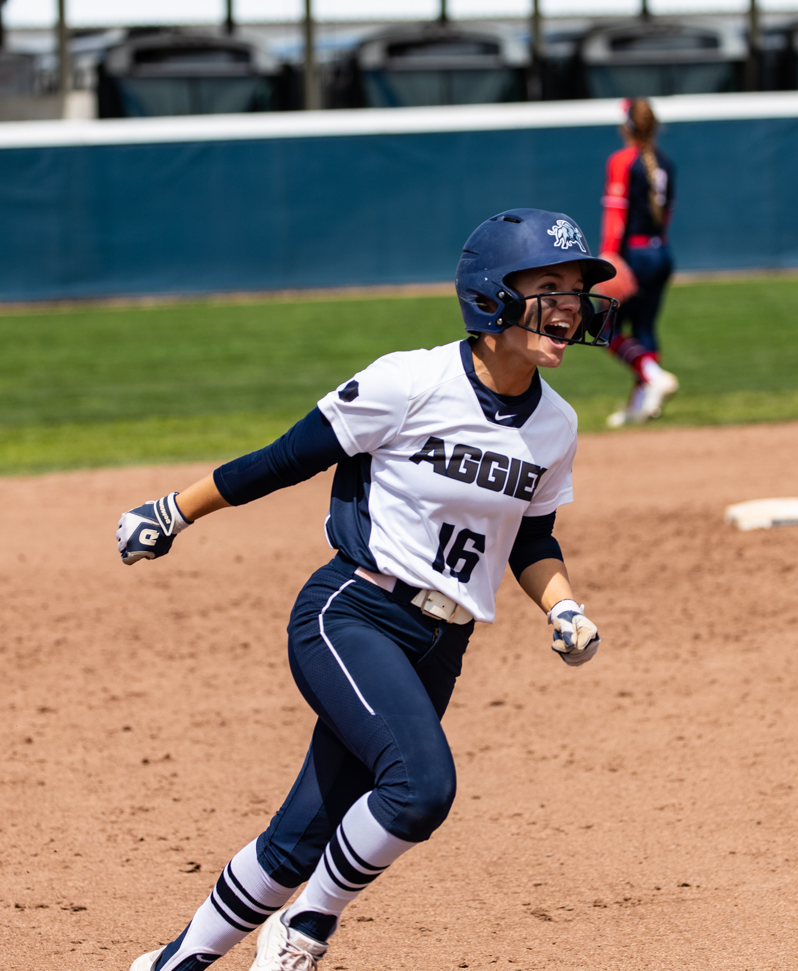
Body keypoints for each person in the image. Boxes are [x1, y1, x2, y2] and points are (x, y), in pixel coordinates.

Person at [116, 208, 617, 971]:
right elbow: (286, 458)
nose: (569, 305)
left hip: (442, 645)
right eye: (548, 286)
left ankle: (170, 964)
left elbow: (534, 539)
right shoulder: (408, 382)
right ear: (491, 298)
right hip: (354, 614)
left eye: (576, 289)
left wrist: (564, 605)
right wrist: (172, 511)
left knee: (300, 837)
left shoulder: (556, 426)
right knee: (420, 791)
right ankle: (309, 925)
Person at [597, 97, 679, 427]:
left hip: (632, 254)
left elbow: (615, 212)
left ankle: (653, 376)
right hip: (660, 252)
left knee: (600, 326)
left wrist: (609, 257)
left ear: (625, 127)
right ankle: (640, 404)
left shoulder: (623, 160)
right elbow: (667, 215)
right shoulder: (665, 162)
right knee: (643, 329)